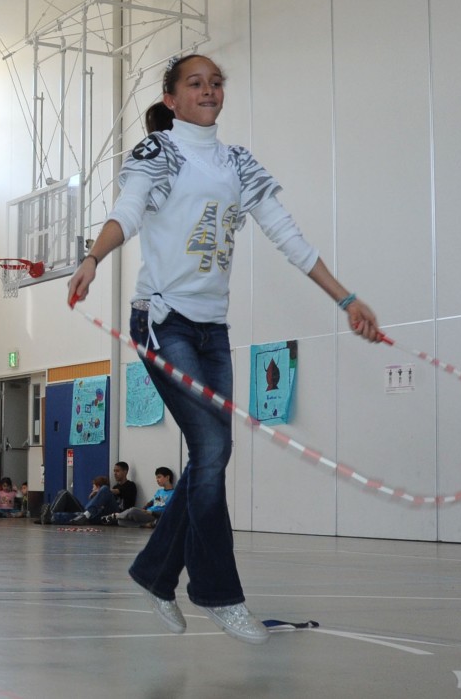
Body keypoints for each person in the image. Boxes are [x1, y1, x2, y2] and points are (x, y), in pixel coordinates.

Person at [66, 54, 381, 644]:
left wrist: (347, 300)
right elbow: (127, 212)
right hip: (163, 321)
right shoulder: (157, 152)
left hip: (213, 331)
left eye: (216, 83)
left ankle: (156, 573)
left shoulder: (237, 163)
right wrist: (92, 258)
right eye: (196, 82)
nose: (208, 90)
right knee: (211, 446)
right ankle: (217, 593)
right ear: (172, 95)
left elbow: (287, 234)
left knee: (213, 454)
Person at [104, 467, 174, 527]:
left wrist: (152, 513)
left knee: (132, 510)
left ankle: (115, 515)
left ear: (167, 477)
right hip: (148, 513)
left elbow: (169, 511)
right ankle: (146, 524)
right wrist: (143, 509)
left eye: (159, 477)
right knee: (121, 522)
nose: (157, 480)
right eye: (156, 478)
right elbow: (152, 502)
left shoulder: (174, 493)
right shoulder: (159, 491)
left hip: (155, 515)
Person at [37, 476, 121, 525]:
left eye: (93, 486)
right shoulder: (113, 487)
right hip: (93, 515)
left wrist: (100, 492)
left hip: (111, 514)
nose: (92, 488)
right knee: (74, 514)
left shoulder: (127, 486)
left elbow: (114, 491)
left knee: (105, 489)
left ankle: (85, 515)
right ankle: (51, 516)